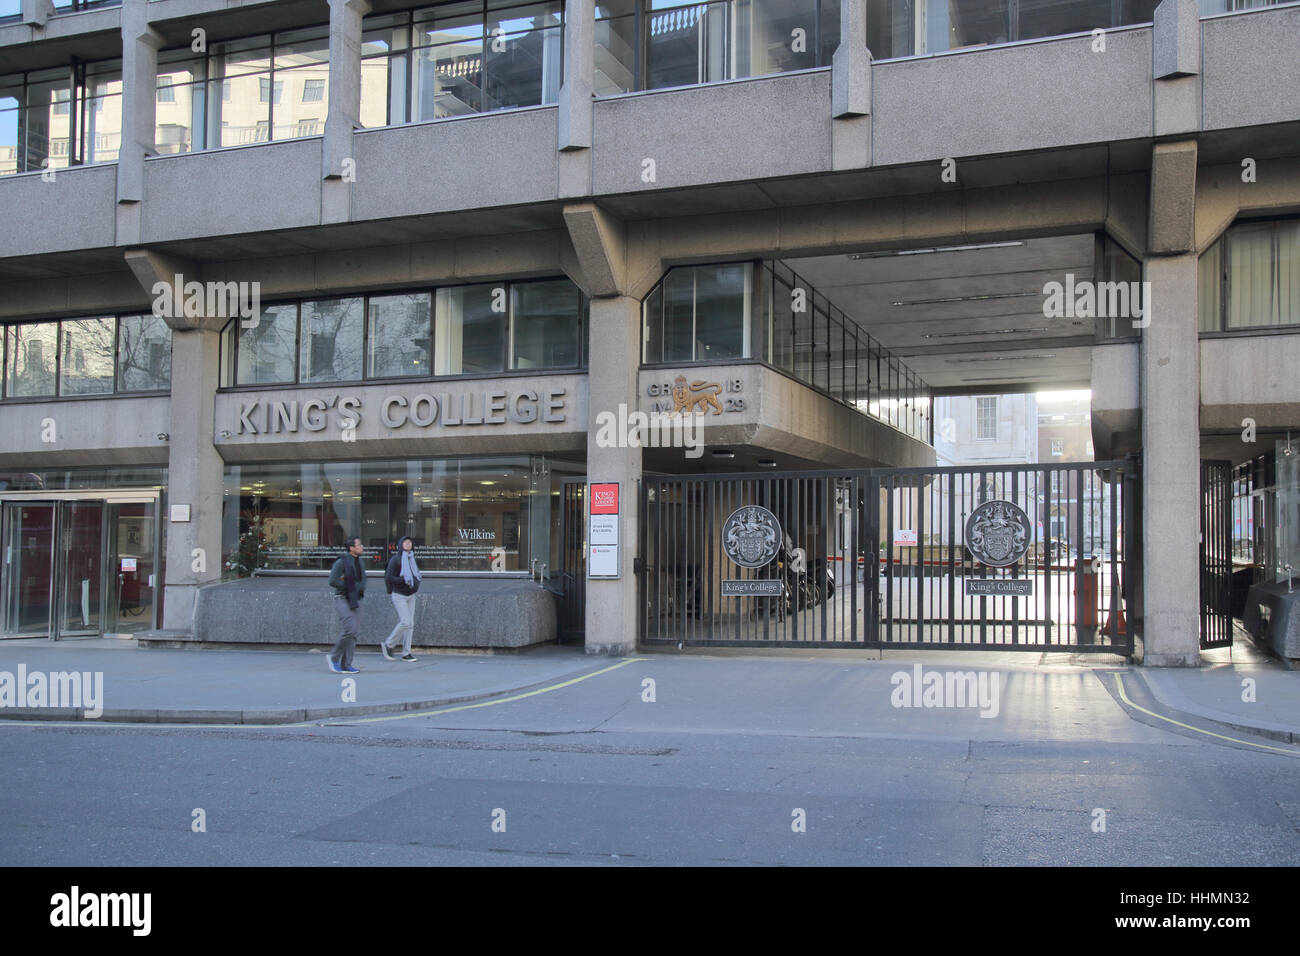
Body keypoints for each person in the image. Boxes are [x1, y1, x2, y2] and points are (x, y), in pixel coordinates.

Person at [326, 536, 366, 674]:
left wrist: (357, 588)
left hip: (357, 599)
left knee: (354, 633)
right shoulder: (341, 562)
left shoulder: (360, 562)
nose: (362, 547)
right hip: (342, 598)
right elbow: (332, 580)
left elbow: (362, 581)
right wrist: (348, 586)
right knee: (349, 628)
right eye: (359, 545)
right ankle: (334, 657)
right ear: (352, 548)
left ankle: (347, 664)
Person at [382, 536, 422, 663]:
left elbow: (415, 575)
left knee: (410, 625)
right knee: (405, 622)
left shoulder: (412, 559)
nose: (408, 544)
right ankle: (389, 644)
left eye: (410, 542)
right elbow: (388, 577)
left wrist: (415, 585)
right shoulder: (396, 559)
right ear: (400, 544)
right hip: (399, 594)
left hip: (410, 595)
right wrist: (403, 580)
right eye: (405, 542)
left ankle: (406, 652)